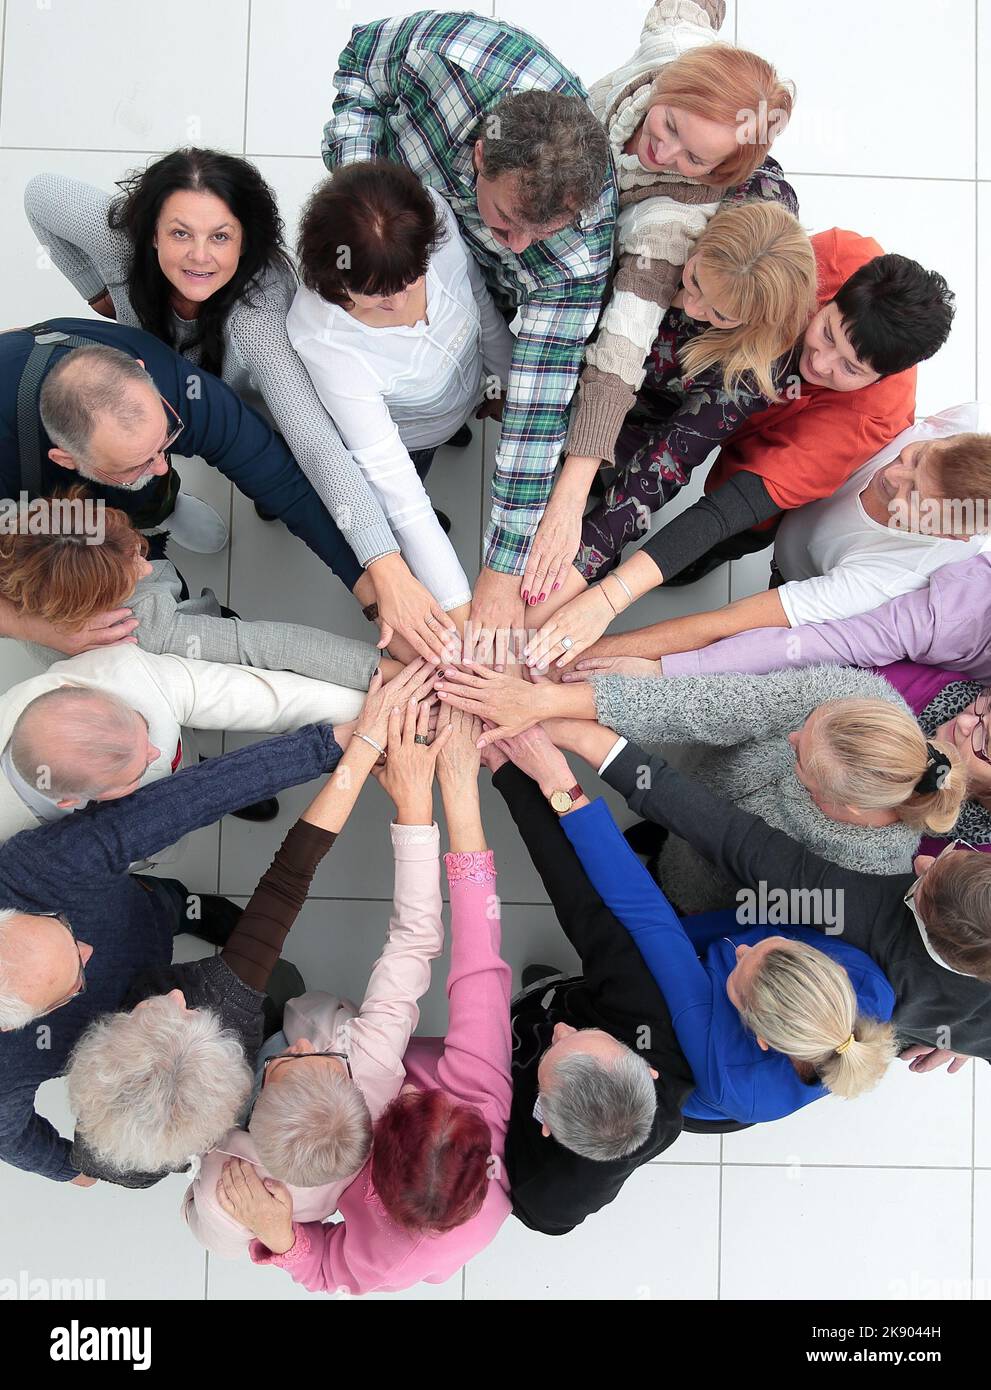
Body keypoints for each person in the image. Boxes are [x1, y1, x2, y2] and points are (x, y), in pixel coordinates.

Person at [24, 152, 455, 655]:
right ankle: (169, 502)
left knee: (279, 467)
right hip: (143, 396)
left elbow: (316, 444)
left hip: (246, 406)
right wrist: (95, 289)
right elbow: (41, 195)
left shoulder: (258, 320)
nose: (198, 257)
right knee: (133, 454)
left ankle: (218, 493)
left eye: (221, 237)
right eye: (180, 233)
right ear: (152, 231)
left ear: (246, 238)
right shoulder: (119, 240)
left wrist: (384, 562)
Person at [64, 663, 433, 1187]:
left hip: (121, 929)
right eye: (187, 1016)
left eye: (158, 1014)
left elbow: (40, 1140)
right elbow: (288, 879)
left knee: (155, 909)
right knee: (273, 977)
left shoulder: (58, 1004)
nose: (175, 998)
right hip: (214, 988)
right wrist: (362, 747)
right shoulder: (227, 1011)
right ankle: (181, 910)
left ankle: (173, 905)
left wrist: (63, 1167)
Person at [522, 233, 956, 670]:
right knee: (658, 437)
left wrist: (609, 597)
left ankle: (690, 564)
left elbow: (722, 513)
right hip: (737, 383)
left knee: (731, 534)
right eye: (826, 332)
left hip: (775, 455)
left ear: (881, 378)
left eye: (850, 368)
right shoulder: (841, 256)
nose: (822, 364)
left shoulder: (866, 421)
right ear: (834, 294)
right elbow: (678, 448)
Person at [323, 9, 616, 646]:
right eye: (509, 221)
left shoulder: (577, 255)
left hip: (486, 309)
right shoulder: (451, 53)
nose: (520, 246)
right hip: (396, 234)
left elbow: (537, 405)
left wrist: (501, 572)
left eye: (546, 233)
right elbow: (360, 72)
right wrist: (364, 199)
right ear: (479, 156)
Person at [214, 705, 514, 1296]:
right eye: (422, 1094)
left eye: (407, 1103)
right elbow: (474, 952)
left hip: (283, 1144)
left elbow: (326, 1271)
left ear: (377, 1144)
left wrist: (282, 1238)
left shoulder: (394, 1258)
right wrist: (444, 793)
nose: (410, 1085)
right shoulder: (469, 1095)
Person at [525, 0, 806, 600]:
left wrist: (583, 564)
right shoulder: (677, 228)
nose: (689, 304)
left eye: (716, 314)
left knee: (577, 515)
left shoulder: (752, 363)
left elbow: (664, 466)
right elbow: (687, 15)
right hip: (595, 330)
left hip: (640, 405)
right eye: (694, 280)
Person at [548, 717, 991, 1070]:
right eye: (957, 852)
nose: (922, 861)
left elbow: (731, 837)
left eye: (923, 888)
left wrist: (587, 743)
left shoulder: (856, 908)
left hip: (745, 1000)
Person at [503, 727, 896, 1123]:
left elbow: (647, 918)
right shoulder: (869, 984)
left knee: (625, 972)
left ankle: (570, 1006)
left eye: (740, 966)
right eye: (775, 942)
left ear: (757, 1035)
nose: (740, 947)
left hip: (692, 1073)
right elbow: (671, 932)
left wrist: (561, 786)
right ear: (834, 969)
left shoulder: (724, 1065)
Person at [183, 699, 451, 1258]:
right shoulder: (375, 1065)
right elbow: (414, 937)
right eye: (319, 1060)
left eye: (286, 1063)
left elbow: (202, 1214)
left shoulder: (226, 1187)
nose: (299, 1044)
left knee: (258, 993)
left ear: (248, 1123)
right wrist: (415, 810)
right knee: (279, 983)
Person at [0, 321, 426, 657]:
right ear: (66, 461)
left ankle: (163, 509)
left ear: (143, 375)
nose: (163, 462)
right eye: (136, 463)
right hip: (21, 484)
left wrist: (373, 593)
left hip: (86, 438)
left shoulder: (172, 386)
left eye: (167, 441)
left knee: (149, 484)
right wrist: (37, 628)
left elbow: (285, 485)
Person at [435, 663, 963, 912]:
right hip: (682, 789)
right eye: (810, 722)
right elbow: (706, 707)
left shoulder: (866, 873)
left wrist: (561, 731)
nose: (791, 734)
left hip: (706, 887)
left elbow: (741, 878)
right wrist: (546, 704)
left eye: (800, 755)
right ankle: (656, 841)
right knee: (658, 826)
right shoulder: (857, 696)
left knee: (662, 885)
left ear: (840, 807)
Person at [546, 402, 991, 670]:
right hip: (786, 507)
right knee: (734, 534)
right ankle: (719, 551)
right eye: (915, 458)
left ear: (947, 535)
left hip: (798, 573)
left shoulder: (891, 580)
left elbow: (725, 622)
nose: (894, 475)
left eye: (914, 496)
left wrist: (592, 651)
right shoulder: (956, 426)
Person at [476, 726, 695, 1234]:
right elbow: (584, 905)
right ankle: (552, 997)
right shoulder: (658, 1025)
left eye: (558, 1049)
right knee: (557, 1000)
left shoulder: (548, 1196)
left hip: (502, 1084)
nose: (562, 1031)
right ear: (649, 1070)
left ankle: (537, 1016)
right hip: (603, 998)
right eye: (581, 1036)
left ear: (545, 1124)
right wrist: (507, 772)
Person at [289, 161, 515, 638]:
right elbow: (397, 487)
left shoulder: (432, 220)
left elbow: (482, 307)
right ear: (335, 278)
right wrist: (461, 613)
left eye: (409, 283)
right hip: (409, 438)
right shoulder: (324, 338)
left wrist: (501, 380)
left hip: (468, 394)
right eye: (374, 296)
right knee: (410, 499)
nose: (397, 305)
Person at [0, 489, 390, 685]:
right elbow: (265, 646)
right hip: (166, 661)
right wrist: (382, 669)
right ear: (92, 604)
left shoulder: (17, 537)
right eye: (128, 574)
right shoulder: (140, 627)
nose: (145, 569)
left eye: (135, 549)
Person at [0, 642, 368, 846]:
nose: (154, 752)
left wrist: (372, 715)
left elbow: (269, 698)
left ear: (72, 689)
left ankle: (208, 772)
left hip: (182, 758)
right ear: (69, 802)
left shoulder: (125, 673)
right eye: (138, 771)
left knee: (190, 764)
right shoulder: (26, 846)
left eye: (141, 726)